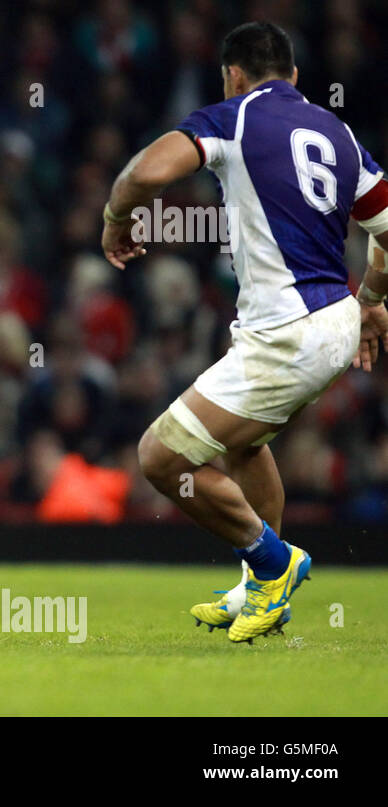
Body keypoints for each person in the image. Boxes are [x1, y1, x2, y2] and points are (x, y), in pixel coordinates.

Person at [101, 22, 388, 643]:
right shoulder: (339, 134)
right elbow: (386, 231)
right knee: (244, 446)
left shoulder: (232, 117)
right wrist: (371, 301)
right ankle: (256, 587)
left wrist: (115, 217)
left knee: (161, 457)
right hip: (331, 317)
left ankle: (274, 563)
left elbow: (146, 173)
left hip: (290, 333)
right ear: (295, 75)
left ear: (232, 74)